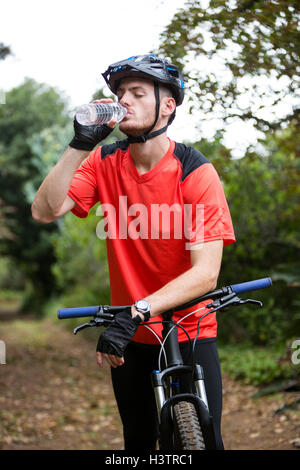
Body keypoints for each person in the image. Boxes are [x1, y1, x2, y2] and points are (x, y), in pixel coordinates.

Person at [31, 54, 235, 450]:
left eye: (138, 93)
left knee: (208, 440)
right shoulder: (104, 162)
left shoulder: (195, 172)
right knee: (138, 442)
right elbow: (44, 210)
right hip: (131, 337)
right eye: (120, 93)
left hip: (190, 328)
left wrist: (138, 309)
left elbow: (206, 274)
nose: (125, 100)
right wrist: (79, 145)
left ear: (168, 105)